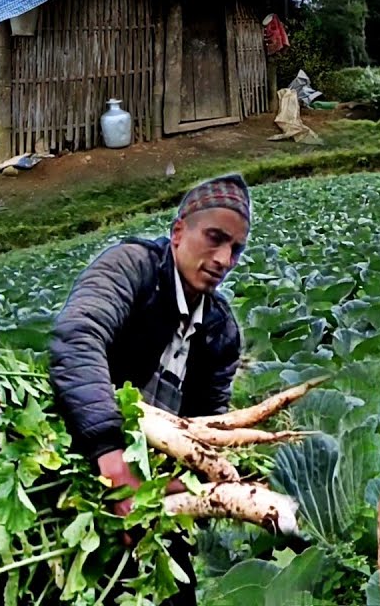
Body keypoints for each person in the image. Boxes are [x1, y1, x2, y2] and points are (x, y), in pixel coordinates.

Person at [48, 174, 252, 606]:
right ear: (179, 232)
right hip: (84, 461)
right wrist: (109, 453)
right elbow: (78, 336)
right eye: (214, 238)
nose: (223, 258)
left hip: (154, 493)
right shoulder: (132, 267)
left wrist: (189, 482)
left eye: (235, 249)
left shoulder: (220, 331)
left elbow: (206, 424)